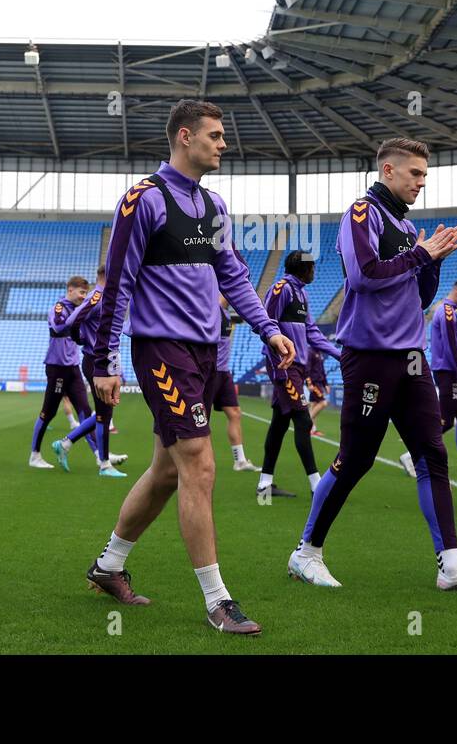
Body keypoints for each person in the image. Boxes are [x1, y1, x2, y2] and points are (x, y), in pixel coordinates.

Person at [85, 99, 295, 635]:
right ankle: (218, 600)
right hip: (161, 351)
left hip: (204, 353)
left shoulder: (215, 206)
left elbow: (235, 277)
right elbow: (118, 286)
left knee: (165, 472)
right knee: (200, 464)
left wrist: (269, 330)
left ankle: (108, 566)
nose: (224, 144)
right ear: (185, 137)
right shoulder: (142, 200)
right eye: (216, 135)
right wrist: (104, 362)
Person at [287, 137, 457, 594]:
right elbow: (365, 276)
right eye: (415, 174)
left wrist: (433, 262)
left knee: (433, 454)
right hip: (368, 356)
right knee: (355, 460)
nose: (421, 183)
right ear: (388, 170)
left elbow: (419, 295)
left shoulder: (409, 230)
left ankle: (451, 564)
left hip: (411, 357)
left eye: (425, 176)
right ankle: (306, 553)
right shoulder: (361, 214)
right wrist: (421, 255)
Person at [257, 251, 343, 498]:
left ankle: (264, 485)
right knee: (304, 422)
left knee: (279, 424)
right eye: (312, 268)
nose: (314, 273)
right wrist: (279, 369)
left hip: (297, 367)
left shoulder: (302, 294)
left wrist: (339, 354)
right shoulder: (280, 289)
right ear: (304, 269)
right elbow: (267, 325)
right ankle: (318, 487)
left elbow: (312, 333)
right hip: (285, 366)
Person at [62, 266, 128, 476]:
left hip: (106, 360)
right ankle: (104, 464)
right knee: (104, 414)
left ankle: (67, 443)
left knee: (104, 412)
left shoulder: (106, 296)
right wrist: (79, 338)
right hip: (95, 360)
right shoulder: (97, 297)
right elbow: (71, 321)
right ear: (108, 275)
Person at [35, 276, 99, 470]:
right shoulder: (59, 308)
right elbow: (58, 329)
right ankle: (34, 454)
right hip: (57, 369)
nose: (83, 297)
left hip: (73, 367)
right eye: (81, 292)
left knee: (85, 411)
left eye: (85, 294)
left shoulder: (78, 310)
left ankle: (99, 455)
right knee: (49, 412)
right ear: (70, 290)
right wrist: (79, 317)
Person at [426, 279, 457, 480]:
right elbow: (451, 347)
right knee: (446, 420)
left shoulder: (450, 311)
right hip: (448, 370)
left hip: (451, 370)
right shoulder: (447, 312)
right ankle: (412, 455)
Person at [210, 295, 260, 472]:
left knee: (235, 413)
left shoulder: (225, 313)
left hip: (224, 372)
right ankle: (199, 460)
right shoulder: (212, 310)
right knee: (200, 419)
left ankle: (239, 460)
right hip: (210, 372)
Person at [306, 350, 331, 438]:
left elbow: (322, 371)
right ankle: (306, 423)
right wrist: (309, 383)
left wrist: (326, 384)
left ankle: (312, 429)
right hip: (314, 383)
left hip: (319, 383)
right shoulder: (310, 352)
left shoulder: (320, 354)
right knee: (323, 403)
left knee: (313, 405)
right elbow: (307, 369)